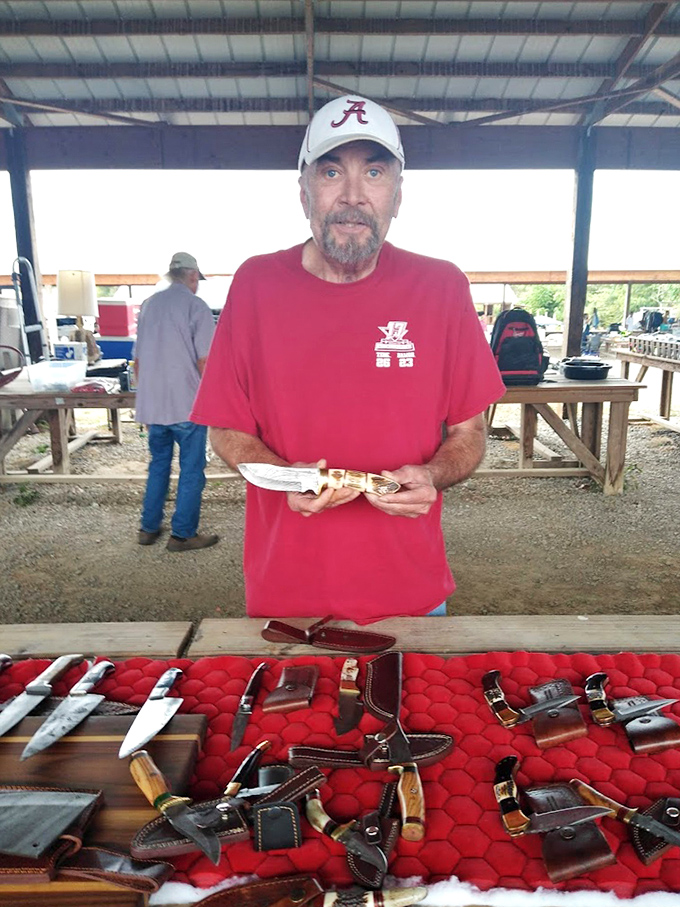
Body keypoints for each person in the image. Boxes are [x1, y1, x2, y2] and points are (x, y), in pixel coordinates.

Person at [191, 95, 505, 621]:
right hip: (286, 592)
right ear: (304, 192)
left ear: (398, 196)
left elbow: (469, 433)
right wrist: (288, 477)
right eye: (332, 172)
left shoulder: (441, 286)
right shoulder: (256, 284)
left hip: (412, 591)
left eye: (375, 173)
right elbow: (225, 428)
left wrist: (432, 475)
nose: (353, 195)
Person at [135, 252, 219, 552]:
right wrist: (215, 400)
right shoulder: (196, 306)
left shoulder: (149, 305)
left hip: (154, 405)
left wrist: (144, 403)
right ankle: (182, 535)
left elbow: (138, 362)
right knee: (191, 469)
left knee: (158, 465)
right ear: (193, 276)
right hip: (186, 404)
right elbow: (205, 361)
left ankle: (148, 528)